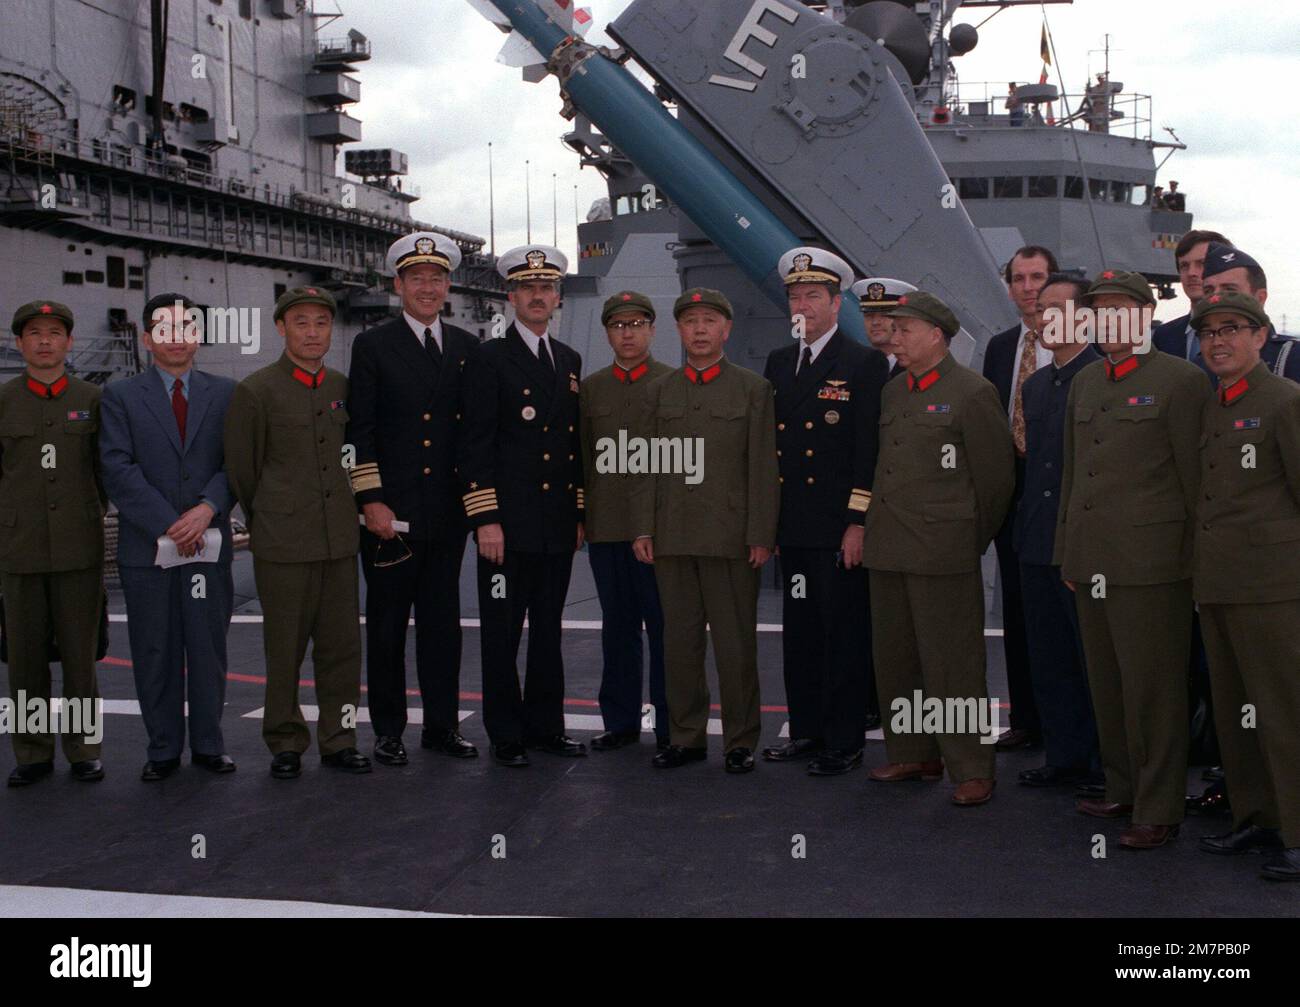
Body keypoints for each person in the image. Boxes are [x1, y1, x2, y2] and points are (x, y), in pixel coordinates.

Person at [1055, 270, 1208, 848]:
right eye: (1098, 310)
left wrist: (1197, 564)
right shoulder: (1087, 381)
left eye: (1120, 309)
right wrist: (1068, 551)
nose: (1108, 319)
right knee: (1109, 681)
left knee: (1154, 687)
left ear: (1145, 317)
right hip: (1091, 558)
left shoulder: (1181, 381)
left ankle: (1159, 805)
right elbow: (1075, 474)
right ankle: (1121, 786)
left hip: (1153, 563)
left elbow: (1195, 482)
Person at [864, 291, 1015, 806]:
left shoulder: (972, 393)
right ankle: (913, 752)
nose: (895, 338)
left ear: (937, 335)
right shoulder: (895, 391)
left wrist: (963, 540)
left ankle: (972, 765)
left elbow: (995, 483)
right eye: (893, 329)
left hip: (942, 550)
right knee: (897, 659)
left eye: (905, 330)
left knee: (954, 664)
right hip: (888, 547)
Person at [224, 286, 371, 779]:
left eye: (321, 323)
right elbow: (243, 472)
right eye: (301, 323)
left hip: (338, 542)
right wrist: (275, 515)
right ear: (281, 328)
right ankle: (285, 741)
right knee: (284, 648)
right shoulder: (256, 391)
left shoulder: (340, 386)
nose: (312, 332)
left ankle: (340, 737)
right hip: (283, 544)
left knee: (342, 650)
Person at [633, 288, 779, 774]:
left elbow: (762, 467)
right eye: (690, 321)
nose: (699, 329)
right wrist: (643, 528)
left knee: (736, 645)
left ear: (726, 330)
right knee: (679, 644)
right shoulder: (660, 391)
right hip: (673, 536)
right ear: (678, 329)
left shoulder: (751, 390)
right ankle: (687, 736)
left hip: (729, 538)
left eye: (709, 320)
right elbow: (645, 467)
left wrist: (761, 533)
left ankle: (740, 740)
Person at [346, 232, 478, 767]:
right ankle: (388, 729)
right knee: (386, 627)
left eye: (437, 278)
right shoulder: (373, 345)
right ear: (398, 284)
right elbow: (360, 429)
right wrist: (371, 500)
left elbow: (472, 435)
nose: (428, 287)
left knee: (443, 627)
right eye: (417, 278)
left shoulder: (468, 348)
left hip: (445, 514)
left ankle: (442, 727)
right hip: (389, 516)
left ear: (448, 285)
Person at [99, 293, 237, 781]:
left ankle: (208, 744)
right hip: (147, 549)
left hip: (207, 543)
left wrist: (206, 510)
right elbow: (117, 467)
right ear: (145, 338)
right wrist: (169, 523)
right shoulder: (119, 397)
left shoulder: (226, 394)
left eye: (185, 327)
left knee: (207, 647)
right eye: (163, 328)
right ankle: (161, 749)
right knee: (154, 650)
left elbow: (233, 463)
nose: (175, 338)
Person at [458, 245, 586, 768]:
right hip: (505, 529)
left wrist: (578, 514)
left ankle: (546, 728)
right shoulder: (488, 359)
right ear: (511, 297)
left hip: (555, 525)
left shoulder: (570, 360)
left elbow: (572, 446)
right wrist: (485, 518)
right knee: (502, 633)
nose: (538, 296)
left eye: (547, 288)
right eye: (528, 288)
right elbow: (475, 446)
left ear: (556, 298)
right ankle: (506, 733)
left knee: (548, 631)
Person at [760, 248, 887, 775]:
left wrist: (857, 524)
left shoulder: (862, 363)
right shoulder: (778, 362)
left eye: (813, 295)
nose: (803, 304)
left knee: (843, 635)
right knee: (802, 633)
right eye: (795, 295)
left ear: (837, 303)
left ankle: (844, 740)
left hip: (837, 530)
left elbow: (867, 454)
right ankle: (807, 730)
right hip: (795, 529)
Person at [1188, 291, 1300, 881]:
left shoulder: (1284, 402)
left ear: (1260, 337)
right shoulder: (1215, 406)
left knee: (1284, 712)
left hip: (1274, 587)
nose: (1219, 341)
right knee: (1239, 714)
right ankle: (1260, 816)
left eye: (1233, 329)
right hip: (1221, 583)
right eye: (1209, 333)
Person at [1, 301, 107, 787]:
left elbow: (105, 472)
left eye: (54, 333)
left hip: (77, 550)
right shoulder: (4, 402)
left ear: (68, 342)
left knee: (80, 658)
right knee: (24, 660)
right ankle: (32, 751)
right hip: (18, 549)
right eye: (34, 334)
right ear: (20, 344)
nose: (44, 341)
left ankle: (84, 748)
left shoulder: (94, 398)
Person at [1012, 274, 1101, 788]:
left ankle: (1100, 763)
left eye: (1054, 308)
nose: (1042, 317)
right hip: (1037, 538)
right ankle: (1064, 755)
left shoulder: (1099, 376)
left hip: (1080, 544)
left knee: (1090, 659)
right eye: (1039, 309)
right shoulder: (1036, 385)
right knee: (1048, 656)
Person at [579, 290, 671, 752]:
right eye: (619, 326)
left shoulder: (673, 384)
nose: (628, 333)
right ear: (608, 333)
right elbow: (580, 458)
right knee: (617, 627)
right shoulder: (592, 387)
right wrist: (580, 516)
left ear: (653, 330)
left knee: (664, 628)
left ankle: (672, 727)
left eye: (637, 325)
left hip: (657, 531)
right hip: (607, 526)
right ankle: (620, 721)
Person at [982, 245, 1057, 752]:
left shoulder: (1080, 343)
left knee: (1063, 613)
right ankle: (1027, 717)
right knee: (1018, 611)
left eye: (1038, 278)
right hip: (1013, 495)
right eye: (1020, 279)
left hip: (1060, 493)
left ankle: (1067, 725)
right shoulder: (1001, 346)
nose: (1028, 287)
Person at [1199, 244, 1300, 382]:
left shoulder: (1290, 358)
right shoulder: (1200, 367)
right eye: (1208, 291)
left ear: (1260, 298)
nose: (1217, 298)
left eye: (1230, 290)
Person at [1151, 229, 1231, 367]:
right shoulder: (1164, 336)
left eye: (1202, 264)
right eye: (1184, 266)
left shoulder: (1247, 332)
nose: (1191, 273)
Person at [851, 276, 914, 379]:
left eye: (884, 314)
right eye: (869, 315)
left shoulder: (915, 371)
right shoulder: (853, 365)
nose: (875, 322)